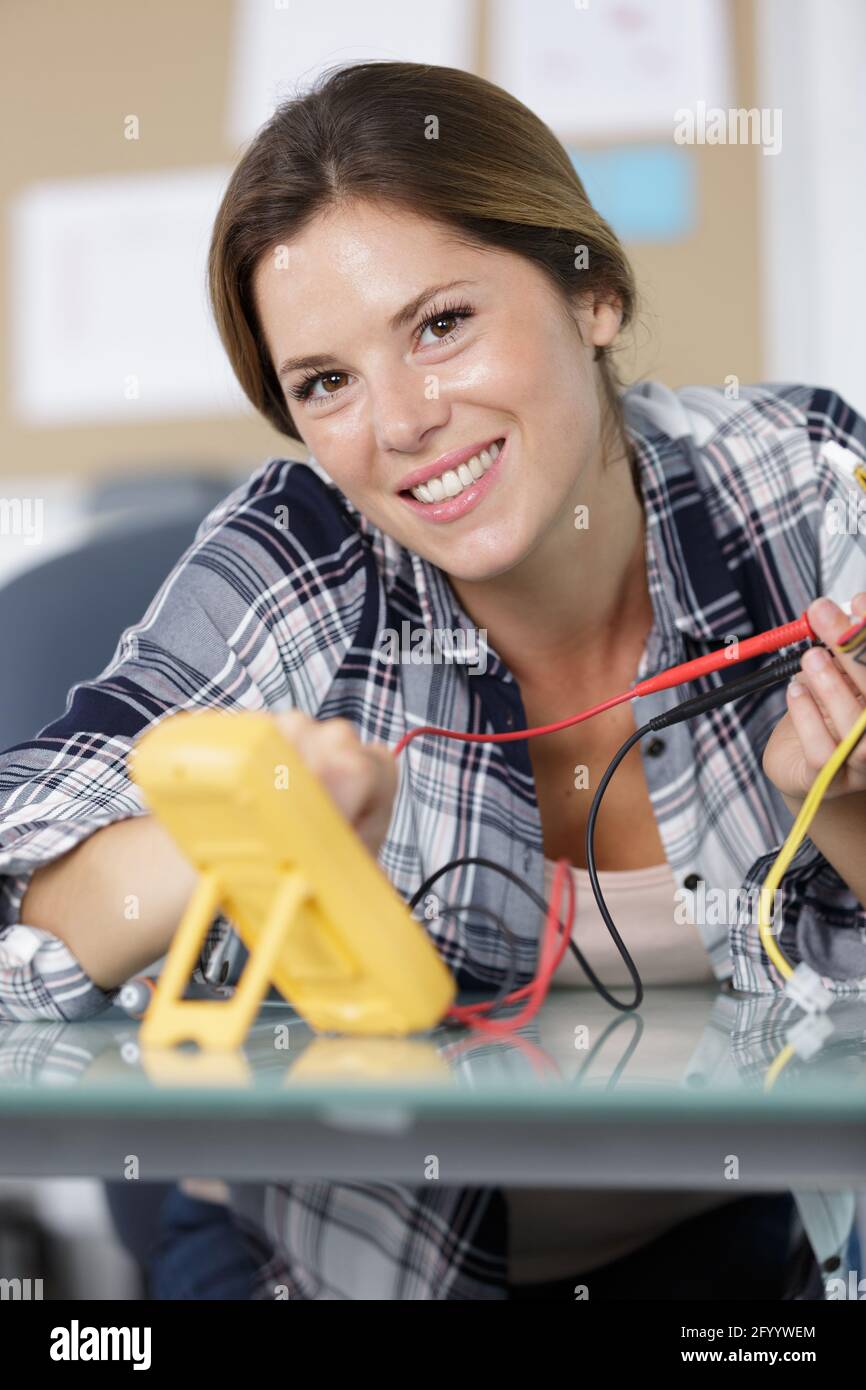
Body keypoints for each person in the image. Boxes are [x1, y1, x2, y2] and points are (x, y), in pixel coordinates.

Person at [1, 60, 864, 1301]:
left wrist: (841, 799)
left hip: (715, 1260)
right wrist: (249, 834)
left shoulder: (798, 486)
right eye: (326, 383)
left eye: (439, 324)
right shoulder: (296, 558)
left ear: (592, 293)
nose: (400, 422)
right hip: (328, 1264)